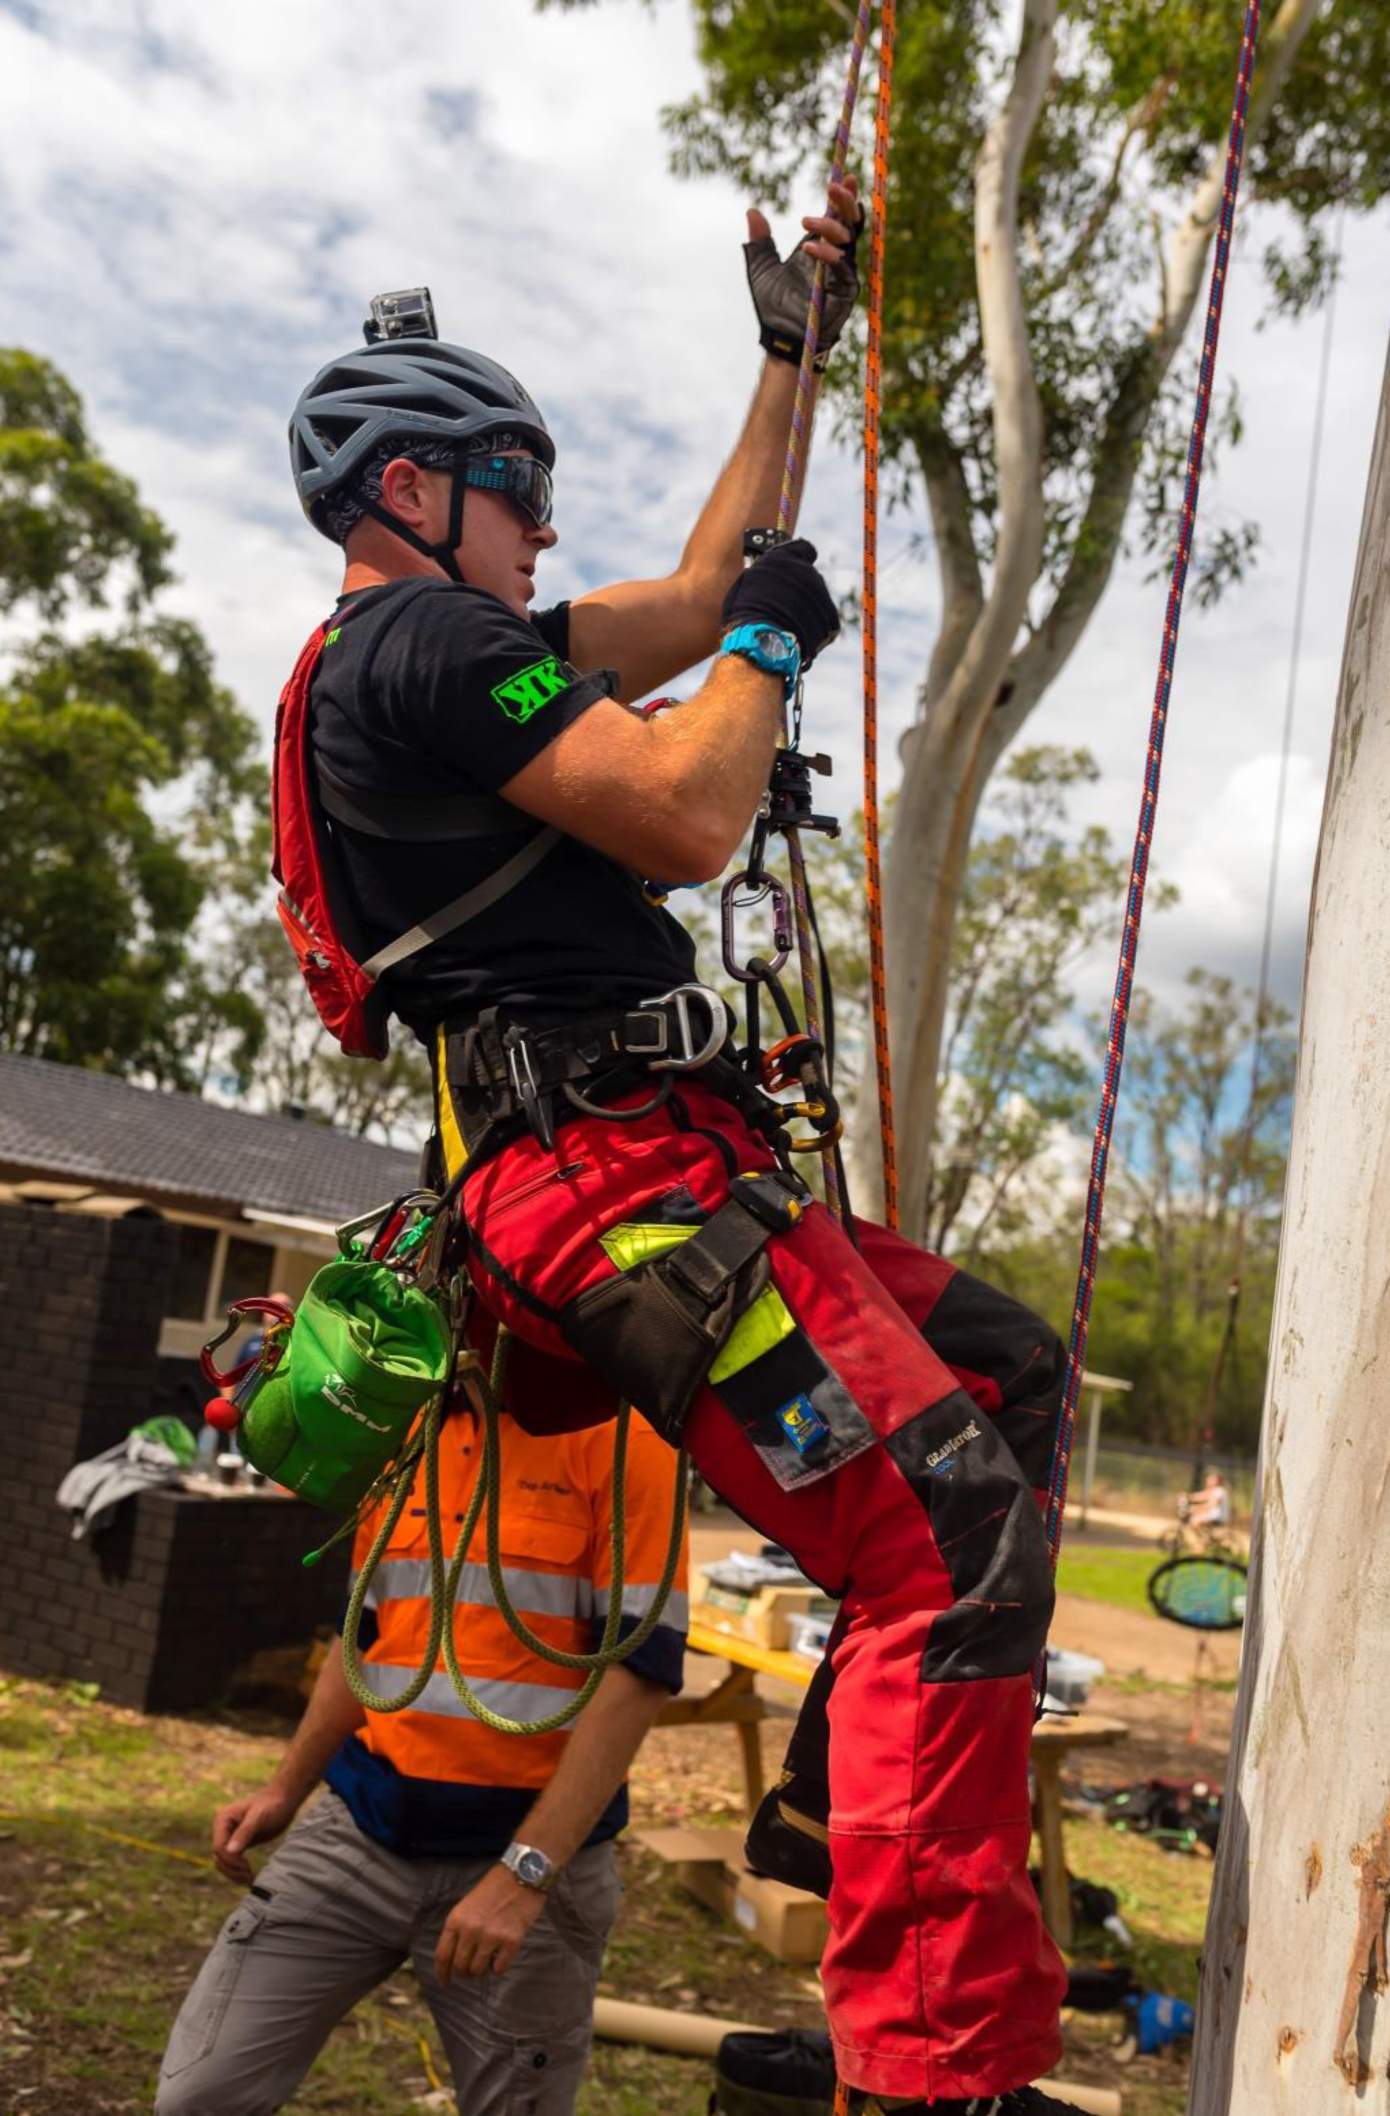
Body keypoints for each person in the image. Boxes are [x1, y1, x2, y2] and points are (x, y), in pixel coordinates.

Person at [275, 184, 1081, 2116]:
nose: (545, 522)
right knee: (954, 1549)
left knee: (1006, 1372)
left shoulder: (461, 654)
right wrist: (773, 665)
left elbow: (719, 589)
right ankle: (925, 2073)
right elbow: (687, 803)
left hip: (664, 1172)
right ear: (407, 492)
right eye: (513, 482)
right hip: (617, 1193)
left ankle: (825, 1818)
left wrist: (790, 357)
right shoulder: (415, 660)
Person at [156, 1403, 687, 2115]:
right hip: (361, 1832)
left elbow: (641, 1669)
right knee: (198, 2096)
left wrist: (525, 1875)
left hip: (522, 1864)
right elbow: (367, 1638)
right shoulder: (405, 1431)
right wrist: (286, 1788)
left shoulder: (627, 1438)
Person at [1182, 1468, 1231, 1534]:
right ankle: (1205, 1538)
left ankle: (1202, 1542)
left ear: (1217, 1481)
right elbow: (1201, 1496)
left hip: (1218, 1517)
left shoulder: (1219, 1491)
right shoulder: (1214, 1490)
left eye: (1211, 1479)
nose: (1208, 1481)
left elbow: (1211, 1505)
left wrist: (1195, 1508)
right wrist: (1188, 1496)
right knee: (1196, 1518)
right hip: (1214, 1516)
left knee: (1194, 1521)